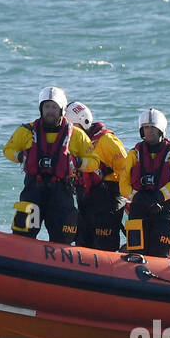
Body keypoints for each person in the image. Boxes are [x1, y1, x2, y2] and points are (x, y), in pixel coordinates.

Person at [2, 86, 99, 244]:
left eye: (54, 107)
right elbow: (8, 150)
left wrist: (77, 162)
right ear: (41, 109)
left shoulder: (76, 135)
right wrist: (20, 156)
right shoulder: (26, 131)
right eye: (46, 107)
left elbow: (94, 161)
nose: (50, 111)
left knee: (62, 237)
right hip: (34, 188)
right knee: (22, 232)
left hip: (61, 190)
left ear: (61, 109)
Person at [120, 108, 170, 257]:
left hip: (163, 208)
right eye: (146, 127)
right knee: (136, 251)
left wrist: (159, 196)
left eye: (153, 127)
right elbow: (123, 184)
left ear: (161, 130)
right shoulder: (134, 154)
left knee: (161, 250)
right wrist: (137, 197)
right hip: (139, 206)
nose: (149, 131)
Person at [64, 101, 128, 252]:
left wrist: (132, 195)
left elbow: (127, 172)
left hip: (108, 197)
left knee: (104, 242)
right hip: (86, 197)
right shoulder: (73, 143)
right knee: (82, 240)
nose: (70, 131)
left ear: (83, 123)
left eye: (72, 127)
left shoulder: (106, 141)